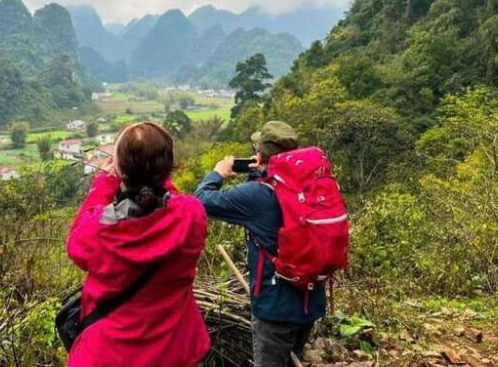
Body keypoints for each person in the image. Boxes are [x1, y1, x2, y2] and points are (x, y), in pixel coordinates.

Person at [66, 122, 211, 367]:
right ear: (167, 168)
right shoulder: (192, 214)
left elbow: (77, 243)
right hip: (173, 349)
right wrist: (155, 175)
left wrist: (103, 183)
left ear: (120, 171)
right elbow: (174, 201)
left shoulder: (97, 229)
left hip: (108, 355)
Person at [194, 121, 326, 367]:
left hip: (274, 307)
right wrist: (261, 171)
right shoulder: (313, 183)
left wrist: (218, 173)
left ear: (258, 154)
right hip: (310, 299)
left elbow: (200, 201)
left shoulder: (257, 195)